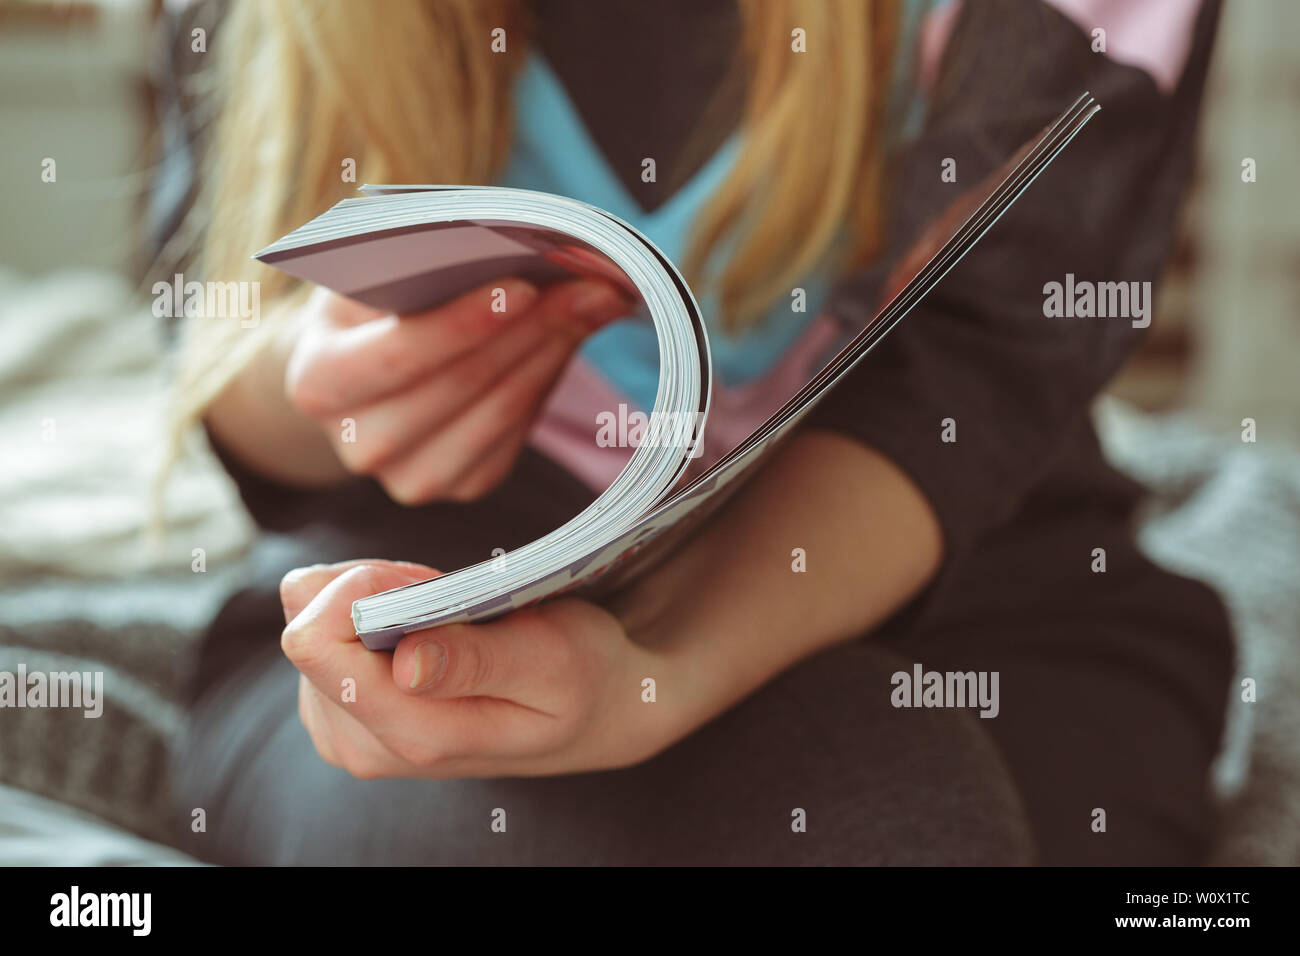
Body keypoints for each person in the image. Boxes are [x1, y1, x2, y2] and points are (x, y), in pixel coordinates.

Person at [163, 0, 1233, 865]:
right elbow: (222, 368)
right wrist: (333, 380)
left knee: (882, 795)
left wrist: (657, 666)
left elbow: (980, 373)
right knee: (874, 793)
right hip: (413, 612)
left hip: (965, 577)